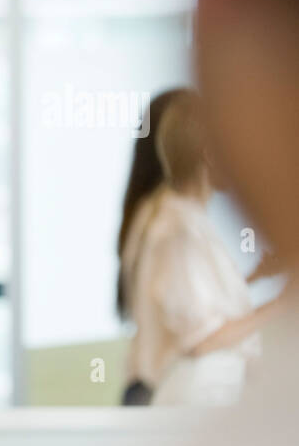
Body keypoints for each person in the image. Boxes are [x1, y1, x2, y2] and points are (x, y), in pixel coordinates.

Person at [119, 89, 277, 405]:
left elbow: (191, 302)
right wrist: (284, 302)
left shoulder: (183, 219)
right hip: (174, 394)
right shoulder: (175, 227)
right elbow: (201, 337)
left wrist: (250, 281)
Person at [115, 88, 182, 404]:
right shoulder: (169, 217)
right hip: (156, 389)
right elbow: (191, 319)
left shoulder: (145, 210)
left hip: (142, 386)